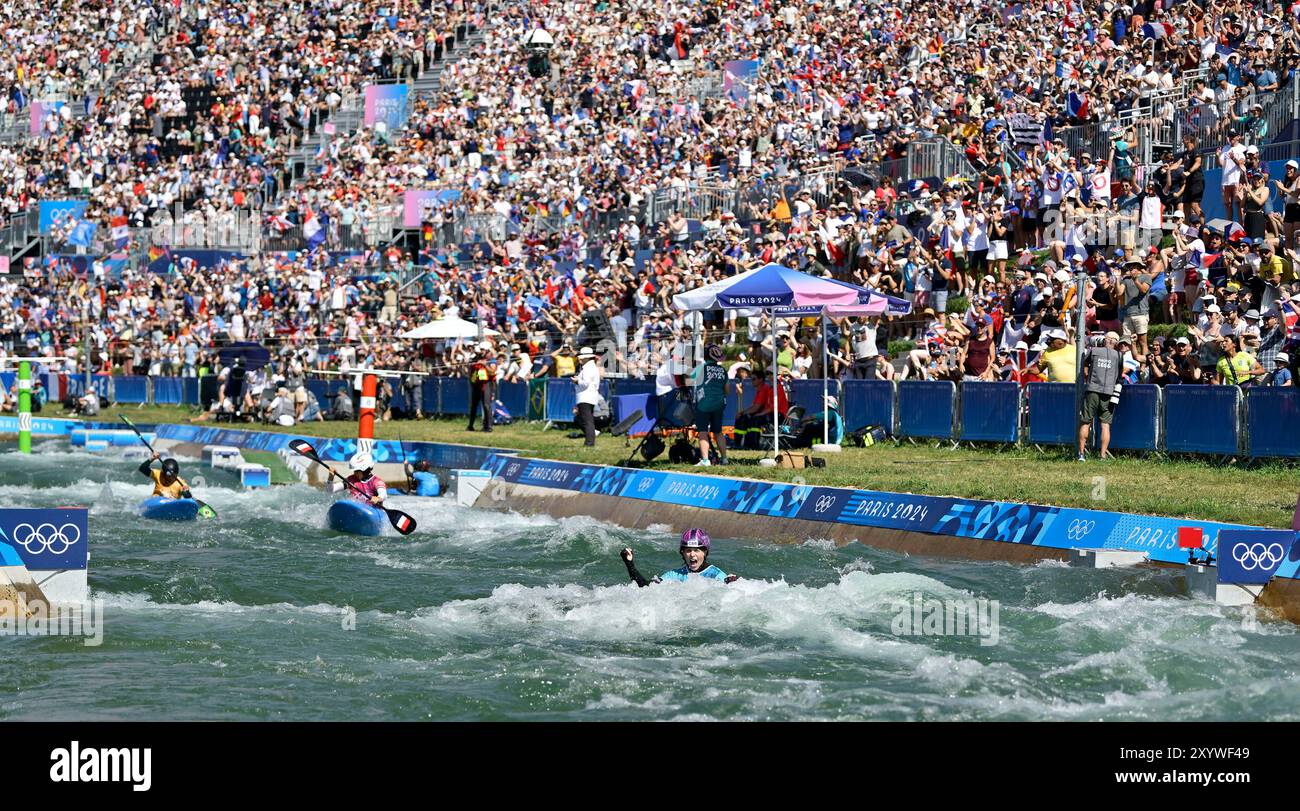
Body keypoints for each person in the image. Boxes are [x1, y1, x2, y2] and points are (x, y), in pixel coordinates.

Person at [619, 529, 739, 587]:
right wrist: (630, 564)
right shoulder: (674, 575)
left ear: (704, 552)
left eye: (696, 550)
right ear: (682, 553)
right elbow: (646, 588)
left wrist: (732, 584)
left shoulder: (716, 575)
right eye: (688, 550)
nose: (692, 554)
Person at [1077, 332, 1122, 463]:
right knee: (1105, 425)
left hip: (1092, 389)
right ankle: (1102, 455)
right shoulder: (1119, 355)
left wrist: (1087, 376)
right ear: (1116, 342)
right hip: (1109, 392)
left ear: (1105, 340)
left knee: (1086, 421)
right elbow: (1120, 374)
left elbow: (1085, 365)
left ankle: (1081, 454)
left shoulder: (1094, 350)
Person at [692, 343, 728, 466]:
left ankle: (706, 460)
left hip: (704, 404)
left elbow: (687, 382)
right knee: (718, 432)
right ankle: (724, 459)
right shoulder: (723, 370)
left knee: (702, 431)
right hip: (719, 403)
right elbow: (727, 389)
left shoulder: (700, 368)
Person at [574, 345, 602, 446]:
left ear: (586, 357)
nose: (578, 358)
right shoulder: (590, 367)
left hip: (586, 397)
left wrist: (577, 380)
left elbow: (585, 383)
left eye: (580, 356)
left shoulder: (588, 368)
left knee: (587, 421)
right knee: (587, 420)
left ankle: (589, 443)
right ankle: (590, 440)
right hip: (588, 396)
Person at [467, 343, 495, 433]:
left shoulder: (491, 360)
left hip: (486, 384)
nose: (481, 352)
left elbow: (492, 372)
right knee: (473, 406)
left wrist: (485, 365)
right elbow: (471, 372)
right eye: (481, 350)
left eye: (483, 350)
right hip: (476, 384)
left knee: (486, 405)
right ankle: (470, 425)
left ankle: (488, 426)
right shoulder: (476, 359)